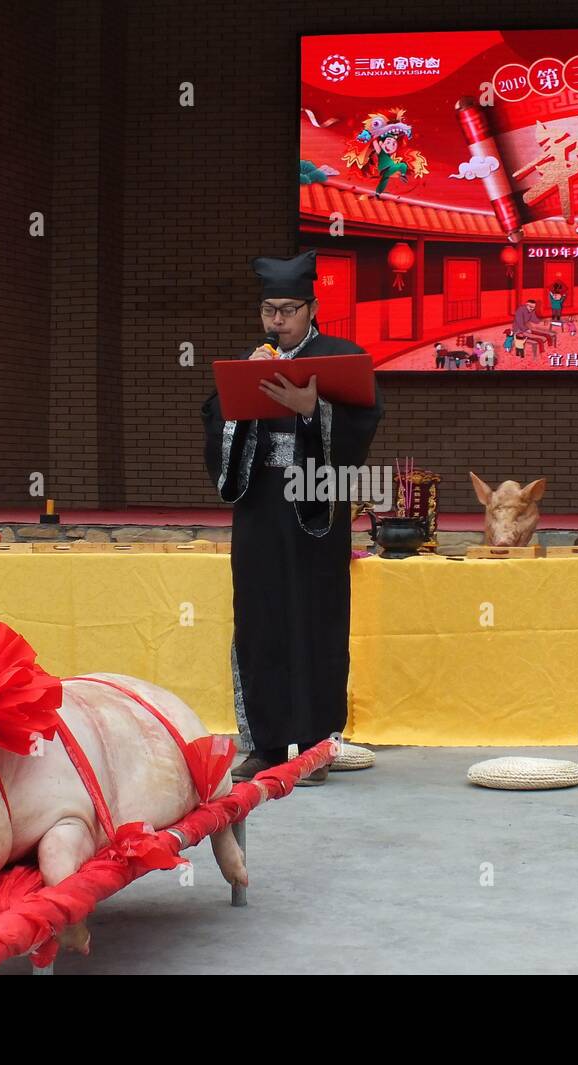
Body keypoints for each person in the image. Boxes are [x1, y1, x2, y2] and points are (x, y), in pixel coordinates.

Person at [201, 250, 384, 787]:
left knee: (315, 619)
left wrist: (314, 410)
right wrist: (238, 405)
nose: (276, 320)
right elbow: (216, 423)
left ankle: (314, 746)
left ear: (312, 307)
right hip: (260, 506)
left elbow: (362, 423)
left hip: (315, 506)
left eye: (287, 309)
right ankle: (264, 745)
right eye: (268, 310)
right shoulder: (251, 359)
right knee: (260, 619)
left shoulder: (341, 356)